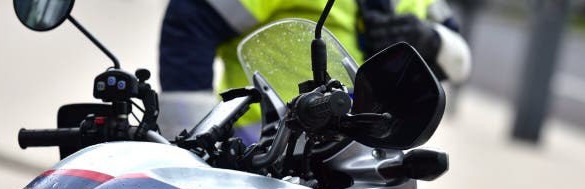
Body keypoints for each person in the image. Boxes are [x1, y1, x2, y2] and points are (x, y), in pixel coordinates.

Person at [158, 0, 472, 142]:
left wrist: (431, 41)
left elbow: (458, 62)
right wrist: (193, 138)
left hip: (367, 155)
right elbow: (190, 21)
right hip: (265, 149)